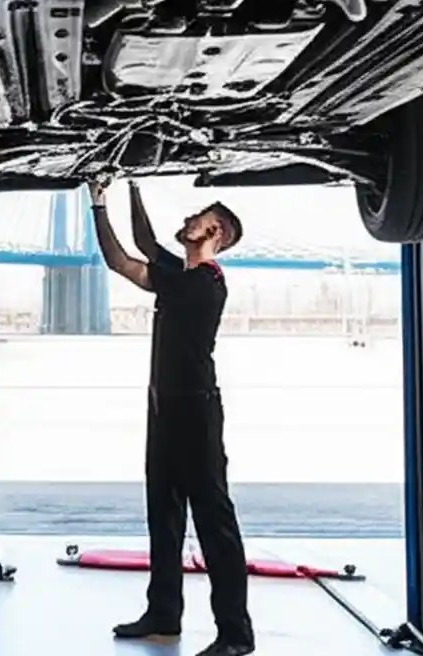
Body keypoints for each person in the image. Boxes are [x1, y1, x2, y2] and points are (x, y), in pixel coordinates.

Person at [88, 180, 255, 656]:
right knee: (163, 515)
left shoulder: (203, 285)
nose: (186, 222)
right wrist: (130, 185)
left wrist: (99, 202)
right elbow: (144, 243)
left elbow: (122, 261)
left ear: (215, 230)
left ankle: (236, 635)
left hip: (195, 416)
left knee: (214, 524)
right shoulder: (185, 275)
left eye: (196, 218)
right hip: (164, 409)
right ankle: (164, 611)